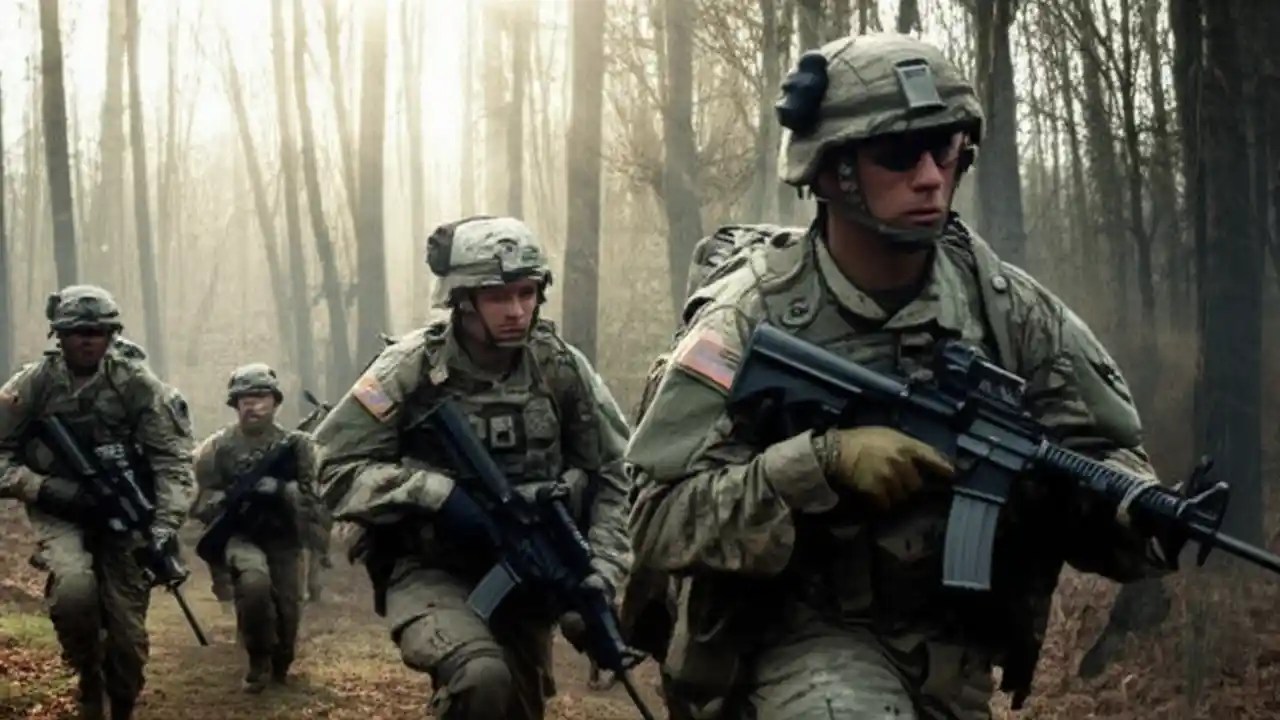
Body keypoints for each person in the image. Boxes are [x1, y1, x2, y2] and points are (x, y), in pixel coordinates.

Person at [624, 34, 1177, 719]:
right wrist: (820, 464)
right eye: (896, 153)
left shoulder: (1010, 313)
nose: (928, 176)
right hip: (787, 644)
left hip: (954, 656)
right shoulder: (745, 318)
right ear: (831, 173)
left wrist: (1132, 510)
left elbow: (1106, 453)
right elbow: (654, 518)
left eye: (944, 148)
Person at [311, 216, 632, 720]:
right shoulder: (409, 368)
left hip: (526, 572)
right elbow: (329, 468)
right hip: (430, 568)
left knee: (517, 707)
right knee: (481, 680)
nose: (517, 311)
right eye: (499, 297)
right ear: (462, 300)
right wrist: (431, 493)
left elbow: (615, 473)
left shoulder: (561, 368)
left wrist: (603, 571)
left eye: (526, 293)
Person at [0, 284, 195, 719]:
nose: (87, 339)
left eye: (97, 330)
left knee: (127, 637)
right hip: (59, 509)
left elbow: (173, 461)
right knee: (74, 589)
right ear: (59, 336)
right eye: (76, 331)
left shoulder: (137, 385)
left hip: (125, 514)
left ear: (112, 335)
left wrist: (163, 527)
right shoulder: (33, 385)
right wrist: (40, 487)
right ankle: (88, 673)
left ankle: (121, 699)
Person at [190, 363, 322, 692]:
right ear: (235, 405)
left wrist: (281, 491)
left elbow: (315, 500)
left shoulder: (298, 445)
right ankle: (258, 659)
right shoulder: (216, 448)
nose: (252, 404)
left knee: (288, 613)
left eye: (260, 396)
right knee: (254, 584)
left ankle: (280, 663)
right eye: (244, 398)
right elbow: (200, 498)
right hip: (241, 536)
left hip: (284, 538)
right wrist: (223, 502)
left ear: (275, 402)